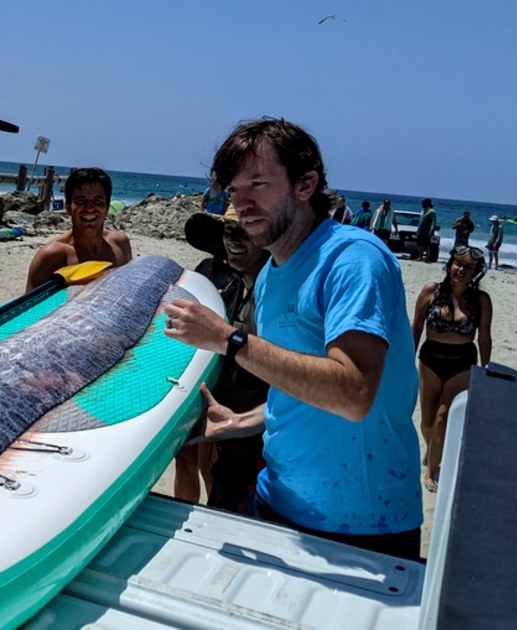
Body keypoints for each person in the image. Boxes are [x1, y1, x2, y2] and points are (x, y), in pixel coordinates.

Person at [164, 118, 422, 560]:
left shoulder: (353, 260)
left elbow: (354, 393)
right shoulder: (269, 276)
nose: (242, 203)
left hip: (365, 523)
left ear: (305, 185)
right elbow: (298, 389)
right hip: (276, 500)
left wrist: (231, 340)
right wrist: (243, 421)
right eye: (234, 190)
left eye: (257, 184)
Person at [175, 205, 270, 510]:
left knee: (220, 481)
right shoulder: (216, 275)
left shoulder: (270, 292)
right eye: (230, 230)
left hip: (252, 429)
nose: (235, 240)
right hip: (214, 399)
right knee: (194, 464)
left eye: (246, 231)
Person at [411, 246, 493, 492]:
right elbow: (416, 328)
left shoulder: (481, 300)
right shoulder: (431, 291)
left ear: (476, 272)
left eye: (469, 267)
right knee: (427, 421)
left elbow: (485, 337)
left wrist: (486, 369)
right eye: (458, 264)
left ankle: (431, 471)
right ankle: (432, 451)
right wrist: (408, 358)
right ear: (449, 265)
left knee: (442, 418)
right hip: (431, 360)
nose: (462, 270)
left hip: (462, 362)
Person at [24, 167, 133, 291]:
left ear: (107, 207)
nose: (89, 208)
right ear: (68, 207)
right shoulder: (50, 256)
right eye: (81, 201)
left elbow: (128, 290)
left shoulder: (120, 244)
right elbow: (30, 302)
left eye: (97, 201)